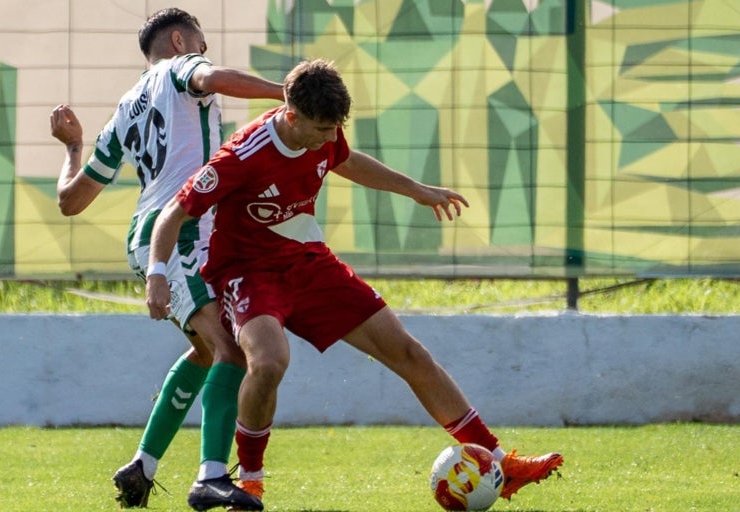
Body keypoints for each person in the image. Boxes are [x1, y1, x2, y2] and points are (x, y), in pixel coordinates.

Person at [145, 58, 564, 506]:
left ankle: (499, 462)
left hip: (308, 263)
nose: (332, 137)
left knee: (407, 351)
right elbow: (174, 212)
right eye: (324, 129)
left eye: (336, 128)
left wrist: (418, 191)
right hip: (247, 271)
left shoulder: (325, 134)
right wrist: (156, 273)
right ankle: (250, 478)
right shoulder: (242, 156)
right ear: (292, 116)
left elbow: (346, 161)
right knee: (268, 362)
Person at [50, 7, 282, 511]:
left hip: (151, 232)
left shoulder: (123, 110)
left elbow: (71, 200)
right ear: (179, 41)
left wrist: (72, 148)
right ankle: (213, 475)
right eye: (200, 44)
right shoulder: (179, 69)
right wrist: (286, 94)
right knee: (233, 351)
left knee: (204, 351)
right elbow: (212, 76)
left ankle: (142, 465)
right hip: (180, 231)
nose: (205, 54)